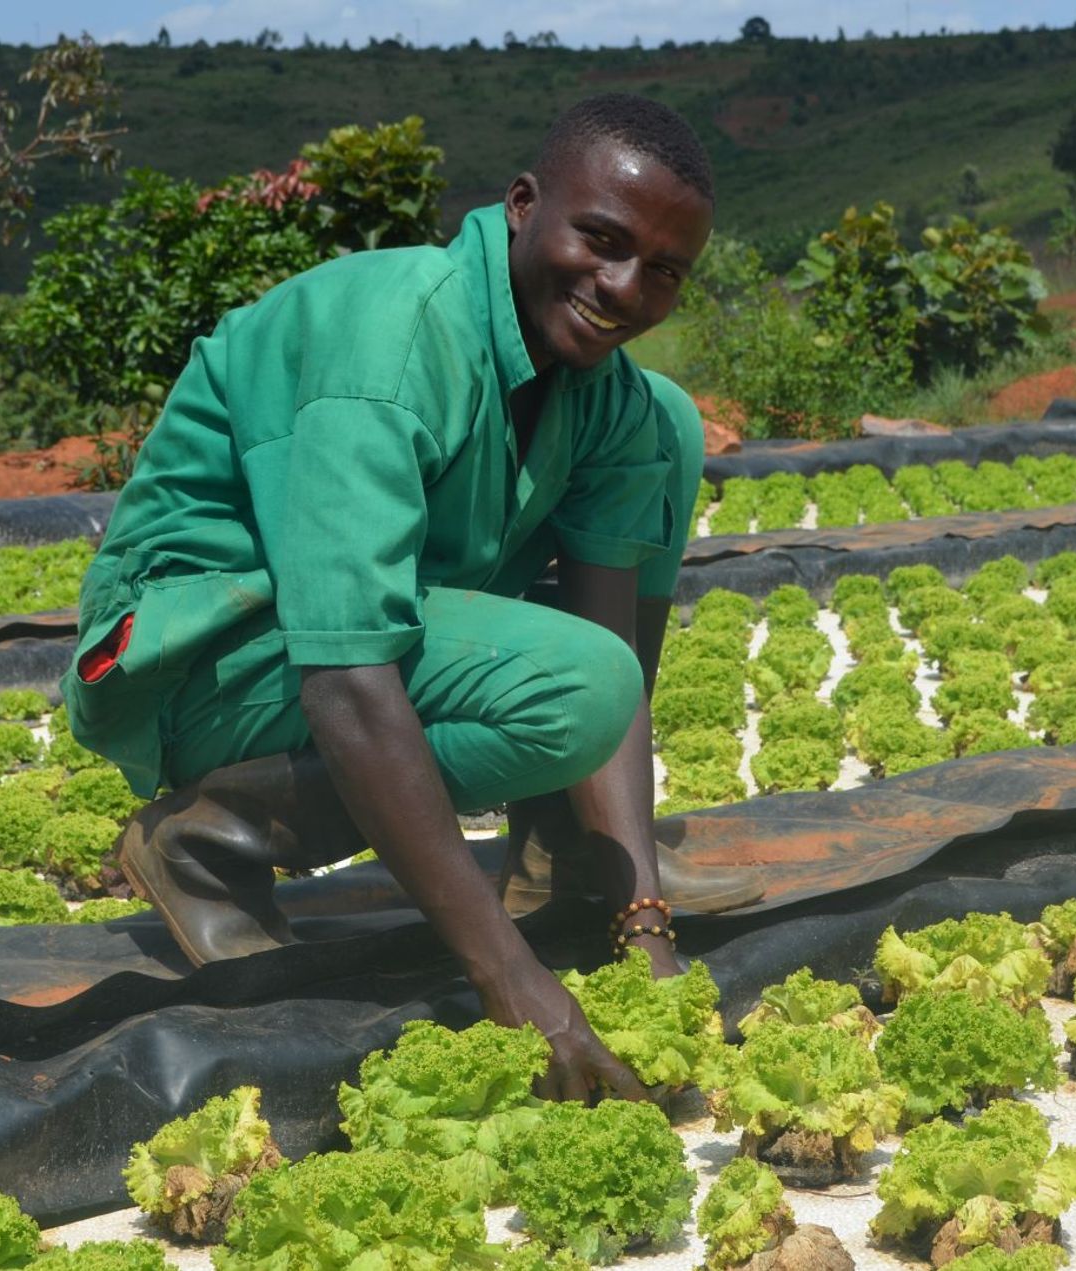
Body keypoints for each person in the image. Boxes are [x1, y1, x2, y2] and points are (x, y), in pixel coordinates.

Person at [61, 94, 762, 1102]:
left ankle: (563, 848)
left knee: (670, 428)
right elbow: (350, 677)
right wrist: (516, 980)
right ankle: (213, 837)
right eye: (600, 240)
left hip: (355, 631)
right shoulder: (392, 336)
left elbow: (609, 626)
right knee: (578, 690)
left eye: (663, 271)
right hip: (203, 654)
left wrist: (640, 918)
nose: (622, 288)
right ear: (523, 205)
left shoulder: (599, 389)